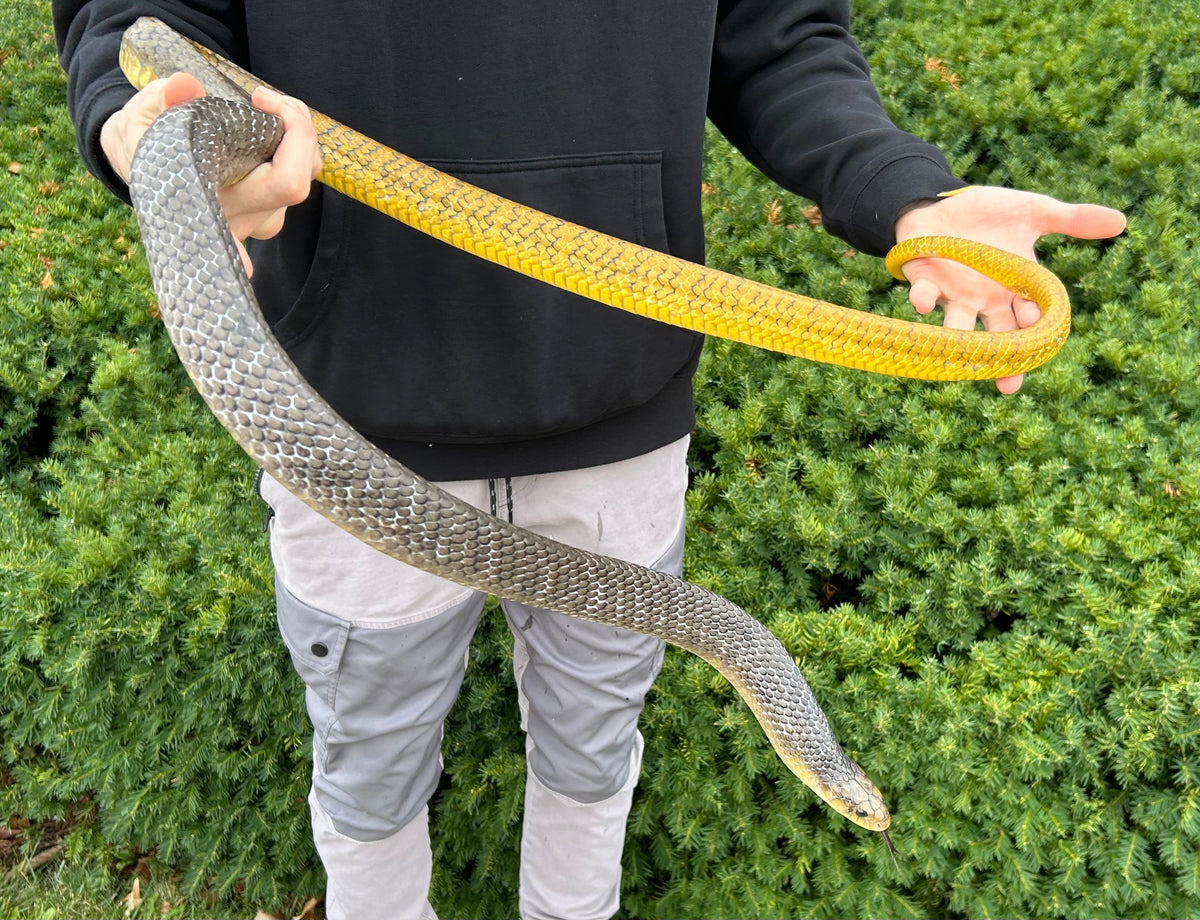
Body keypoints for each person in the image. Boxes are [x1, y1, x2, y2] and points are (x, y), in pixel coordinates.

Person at [52, 3, 1127, 918]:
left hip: (621, 424)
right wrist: (150, 134)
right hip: (347, 424)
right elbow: (140, 26)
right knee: (368, 765)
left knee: (594, 749)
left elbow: (775, 35)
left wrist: (907, 192)